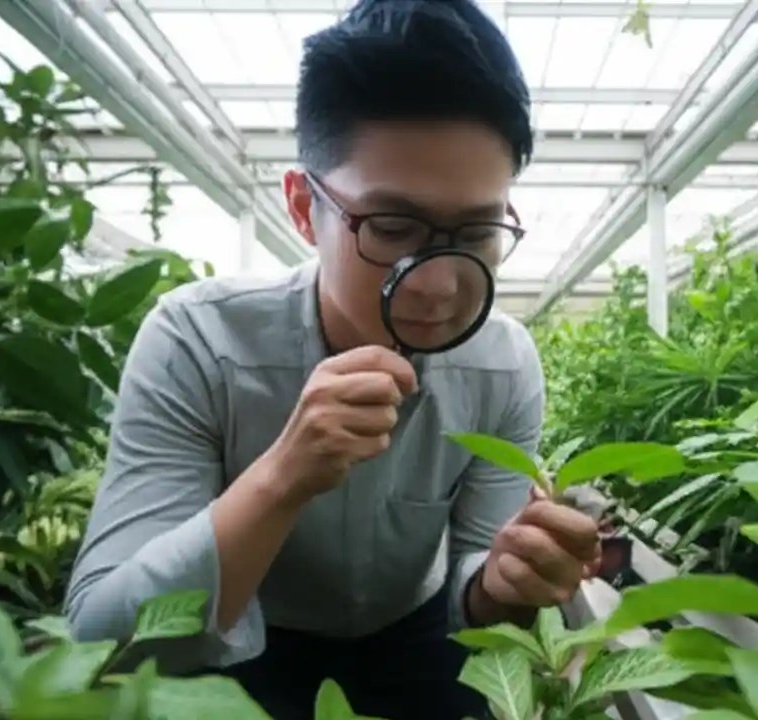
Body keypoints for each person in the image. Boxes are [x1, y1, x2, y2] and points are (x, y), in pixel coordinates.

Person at [63, 1, 602, 718]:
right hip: (241, 638)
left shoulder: (502, 364)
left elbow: (476, 582)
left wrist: (499, 585)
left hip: (415, 637)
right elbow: (99, 638)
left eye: (476, 232)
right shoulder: (199, 340)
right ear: (300, 206)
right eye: (391, 226)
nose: (441, 286)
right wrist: (283, 476)